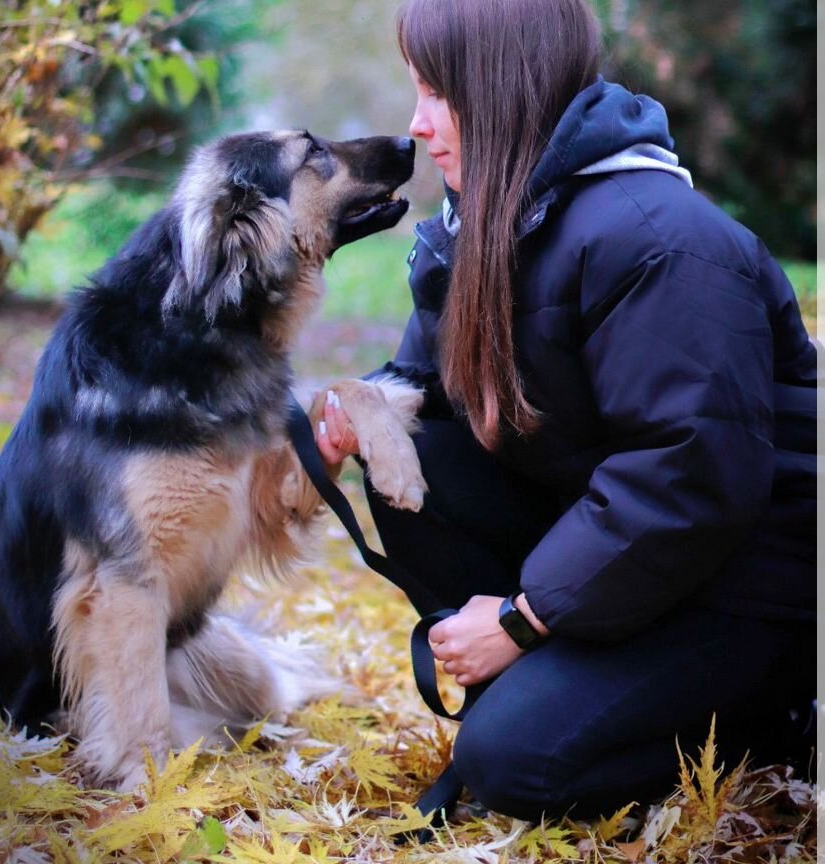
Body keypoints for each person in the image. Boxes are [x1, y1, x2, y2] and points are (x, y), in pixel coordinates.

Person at [316, 0, 817, 819]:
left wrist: (522, 618)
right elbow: (428, 392)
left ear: (501, 91)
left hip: (751, 582)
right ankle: (567, 679)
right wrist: (348, 413)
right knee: (410, 454)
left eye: (437, 93)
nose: (415, 123)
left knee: (516, 765)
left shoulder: (660, 239)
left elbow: (688, 479)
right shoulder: (477, 226)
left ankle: (776, 715)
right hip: (628, 556)